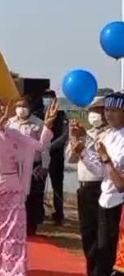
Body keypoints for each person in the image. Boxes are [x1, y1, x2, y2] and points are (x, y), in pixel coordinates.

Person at [0, 95, 57, 275]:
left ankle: (14, 271)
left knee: (15, 235)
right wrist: (0, 123)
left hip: (14, 187)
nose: (1, 108)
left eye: (1, 105)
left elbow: (40, 145)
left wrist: (48, 124)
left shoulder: (14, 133)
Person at [66, 96, 109, 275]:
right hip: (84, 188)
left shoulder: (111, 135)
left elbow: (100, 164)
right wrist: (74, 140)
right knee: (87, 234)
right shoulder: (86, 133)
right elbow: (70, 158)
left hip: (102, 187)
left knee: (103, 238)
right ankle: (92, 270)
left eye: (99, 111)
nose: (95, 115)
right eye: (92, 111)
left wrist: (86, 142)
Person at [8, 95, 51, 235]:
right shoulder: (9, 123)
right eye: (19, 106)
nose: (21, 109)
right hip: (14, 165)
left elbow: (44, 146)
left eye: (24, 106)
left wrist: (44, 165)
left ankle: (31, 225)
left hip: (33, 165)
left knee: (32, 196)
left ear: (30, 108)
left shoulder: (38, 124)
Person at [91, 93, 124, 276]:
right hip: (105, 198)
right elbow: (100, 171)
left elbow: (119, 180)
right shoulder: (108, 135)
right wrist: (82, 152)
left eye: (114, 110)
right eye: (107, 110)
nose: (108, 114)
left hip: (119, 202)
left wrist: (105, 158)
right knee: (101, 251)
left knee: (112, 254)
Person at [39, 90, 68, 225]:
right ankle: (39, 214)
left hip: (56, 157)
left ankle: (59, 215)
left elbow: (64, 136)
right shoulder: (38, 115)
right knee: (39, 186)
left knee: (57, 187)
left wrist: (49, 146)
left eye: (50, 98)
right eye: (45, 98)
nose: (47, 101)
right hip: (41, 157)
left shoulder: (62, 116)